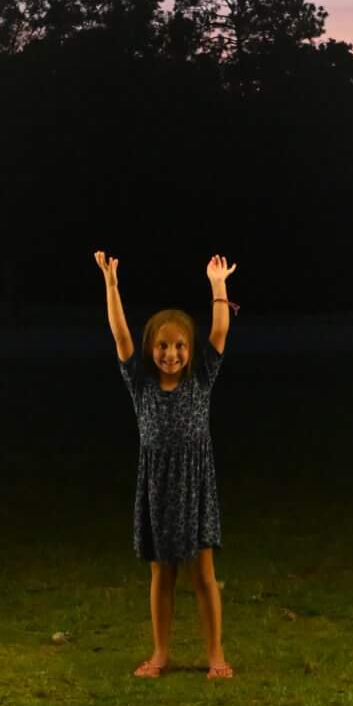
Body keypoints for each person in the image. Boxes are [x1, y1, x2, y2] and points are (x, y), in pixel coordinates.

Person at [94, 249, 236, 680]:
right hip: (157, 483)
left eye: (178, 346)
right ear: (150, 347)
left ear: (190, 351)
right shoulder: (140, 383)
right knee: (162, 575)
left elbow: (220, 329)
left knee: (204, 575)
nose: (170, 354)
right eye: (162, 345)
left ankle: (215, 654)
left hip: (194, 482)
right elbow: (119, 335)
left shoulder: (201, 377)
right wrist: (112, 286)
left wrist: (217, 286)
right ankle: (160, 654)